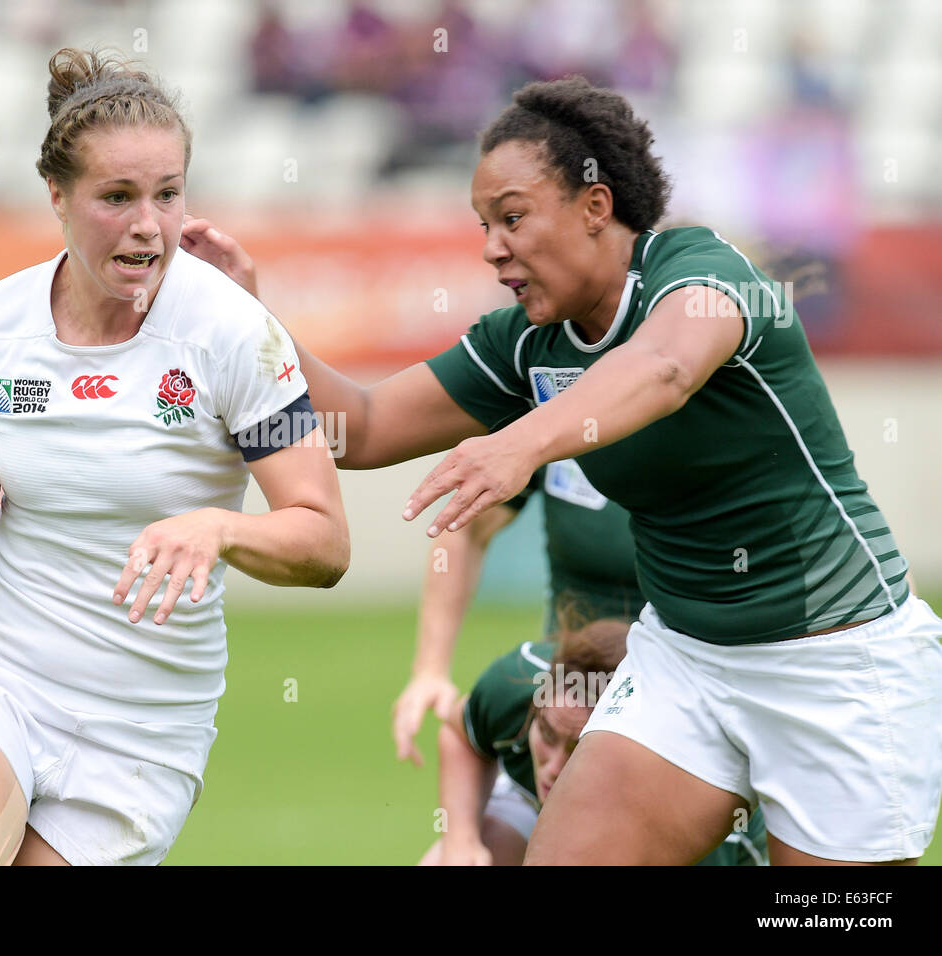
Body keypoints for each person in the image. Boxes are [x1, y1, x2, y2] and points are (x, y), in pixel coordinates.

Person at [181, 75, 942, 865]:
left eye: (512, 217)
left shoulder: (701, 270)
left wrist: (524, 442)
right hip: (686, 660)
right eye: (483, 226)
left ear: (595, 205)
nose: (491, 248)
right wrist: (252, 322)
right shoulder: (524, 344)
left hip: (841, 662)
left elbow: (665, 369)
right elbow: (360, 427)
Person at [0, 47, 350, 866]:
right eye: (116, 197)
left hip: (141, 729)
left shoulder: (231, 333)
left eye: (167, 194)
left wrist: (219, 528)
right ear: (57, 196)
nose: (148, 224)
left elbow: (324, 541)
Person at [422, 620, 768, 866]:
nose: (553, 768)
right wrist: (460, 840)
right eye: (547, 734)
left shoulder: (691, 806)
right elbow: (460, 735)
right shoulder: (519, 686)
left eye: (576, 750)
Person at [391, 465, 642, 768]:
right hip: (566, 698)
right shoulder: (553, 424)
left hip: (674, 694)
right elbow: (466, 529)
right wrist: (430, 670)